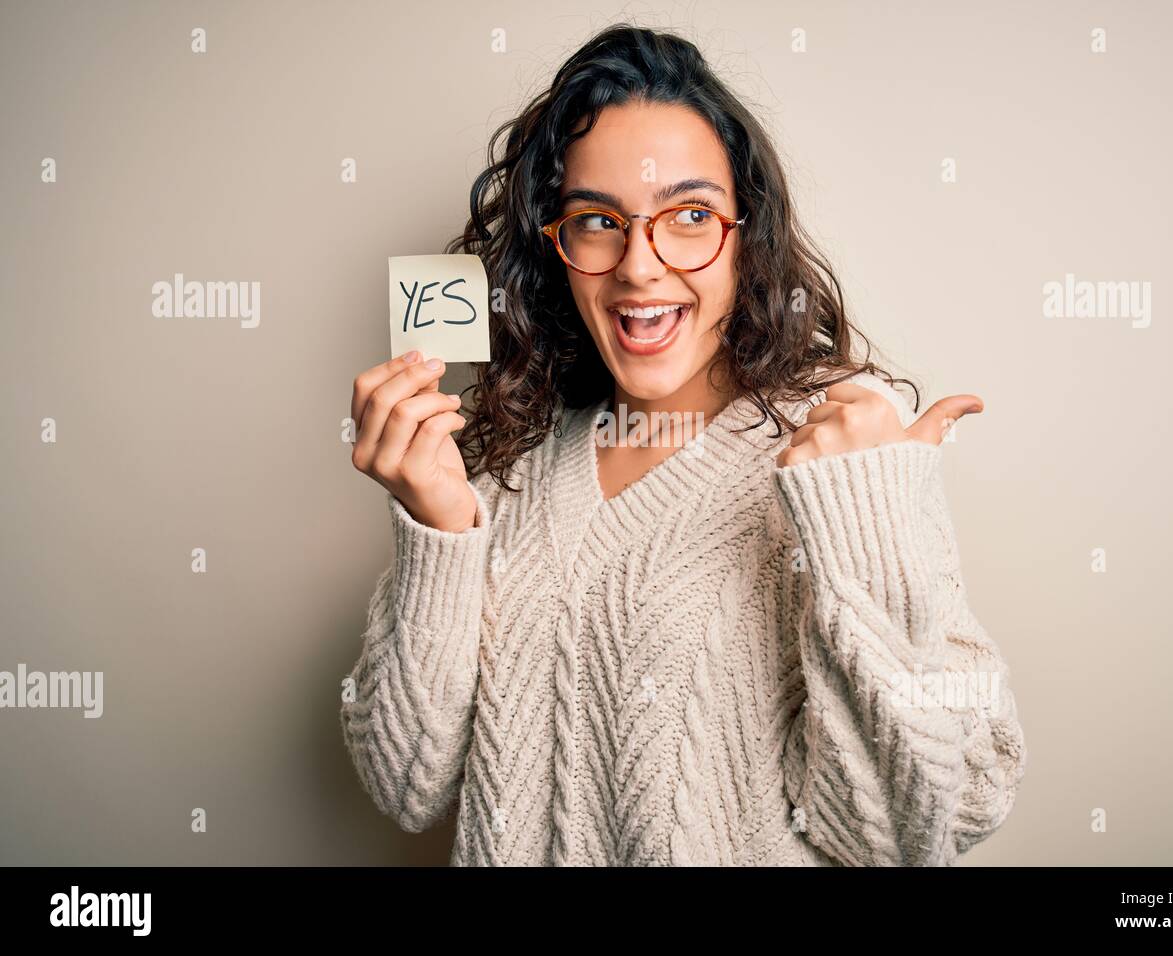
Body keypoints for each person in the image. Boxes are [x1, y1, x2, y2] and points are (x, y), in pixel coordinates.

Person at [341, 23, 1025, 866]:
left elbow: (901, 833)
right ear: (555, 249)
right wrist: (441, 526)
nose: (640, 265)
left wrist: (865, 525)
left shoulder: (843, 456)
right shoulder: (505, 469)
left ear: (747, 236)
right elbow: (405, 786)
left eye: (690, 215)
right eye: (598, 221)